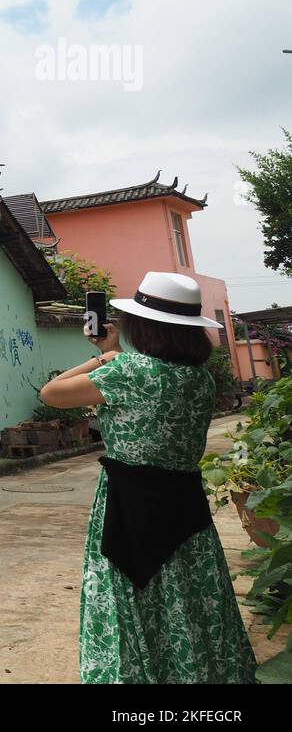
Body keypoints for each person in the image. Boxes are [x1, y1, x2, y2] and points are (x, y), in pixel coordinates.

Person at [39, 271, 258, 684]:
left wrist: (106, 355)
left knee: (128, 598)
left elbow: (51, 392)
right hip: (185, 505)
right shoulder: (201, 378)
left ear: (144, 326)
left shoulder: (127, 371)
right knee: (189, 596)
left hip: (129, 503)